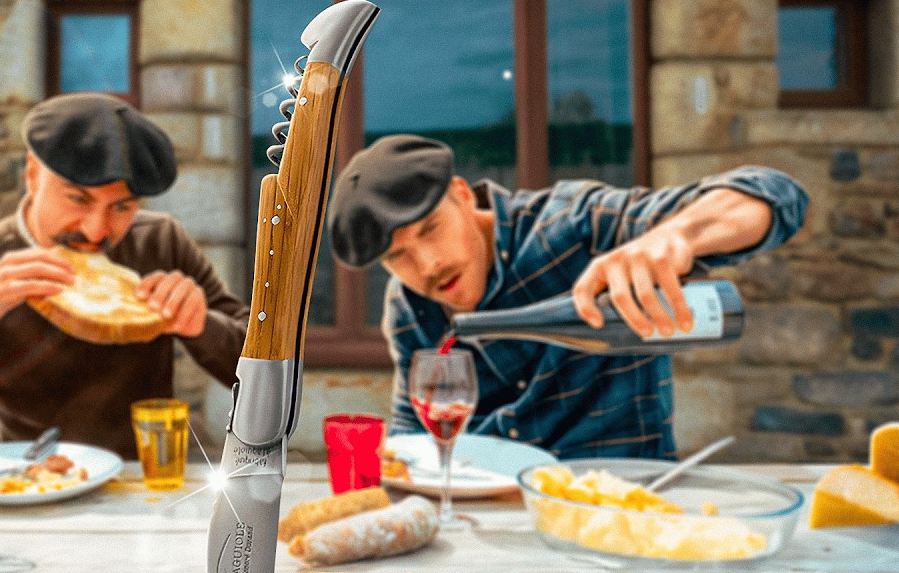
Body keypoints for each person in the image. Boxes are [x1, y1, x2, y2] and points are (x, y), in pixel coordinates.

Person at [327, 135, 807, 460]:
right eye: (398, 256)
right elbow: (415, 428)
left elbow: (775, 194)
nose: (428, 266)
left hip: (623, 510)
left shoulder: (577, 224)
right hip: (498, 528)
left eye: (430, 229)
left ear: (462, 194)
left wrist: (676, 235)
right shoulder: (409, 305)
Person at [0, 93, 249, 463]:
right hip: (31, 488)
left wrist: (203, 326)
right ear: (31, 175)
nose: (96, 232)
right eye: (78, 199)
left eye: (121, 207)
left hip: (146, 483)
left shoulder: (159, 243)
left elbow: (267, 377)